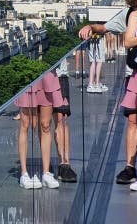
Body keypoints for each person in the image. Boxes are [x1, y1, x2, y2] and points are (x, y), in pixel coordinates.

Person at [79, 0, 137, 184]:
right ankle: (130, 167)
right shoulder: (130, 14)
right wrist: (90, 27)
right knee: (132, 119)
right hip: (135, 72)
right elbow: (104, 28)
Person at [15, 71, 63, 189]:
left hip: (46, 74)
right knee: (25, 124)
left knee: (46, 125)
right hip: (29, 70)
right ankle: (24, 173)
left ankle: (46, 173)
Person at [53, 52, 77, 182]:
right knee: (45, 123)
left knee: (62, 118)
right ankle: (51, 164)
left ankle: (64, 162)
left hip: (61, 74)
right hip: (42, 73)